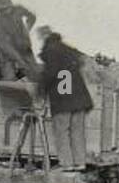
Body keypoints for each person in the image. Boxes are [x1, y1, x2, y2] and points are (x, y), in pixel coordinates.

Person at [36, 30, 94, 172]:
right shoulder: (68, 50)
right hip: (79, 99)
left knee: (61, 131)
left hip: (63, 99)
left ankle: (66, 164)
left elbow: (50, 74)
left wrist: (40, 92)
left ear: (45, 37)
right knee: (77, 131)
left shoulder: (51, 50)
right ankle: (80, 162)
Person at [0, 0, 38, 80]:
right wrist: (20, 60)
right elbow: (6, 46)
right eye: (4, 9)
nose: (7, 11)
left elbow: (32, 16)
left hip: (25, 48)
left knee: (35, 74)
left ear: (11, 6)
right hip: (8, 53)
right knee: (10, 78)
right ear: (0, 10)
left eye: (8, 8)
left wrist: (27, 28)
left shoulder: (18, 9)